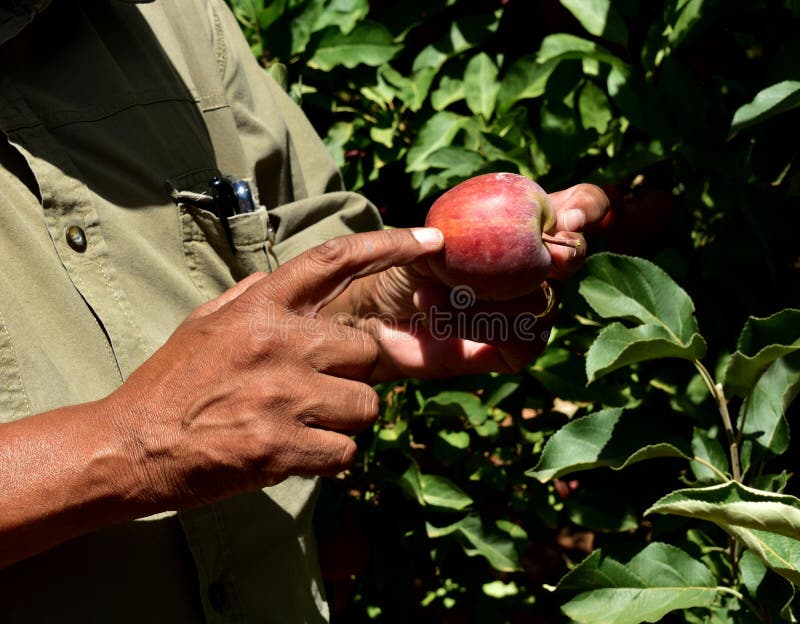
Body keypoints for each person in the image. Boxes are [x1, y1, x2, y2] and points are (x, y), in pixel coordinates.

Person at [0, 0, 608, 621]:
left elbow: (278, 264)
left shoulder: (176, 20)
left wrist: (390, 297)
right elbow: (169, 427)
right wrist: (133, 445)